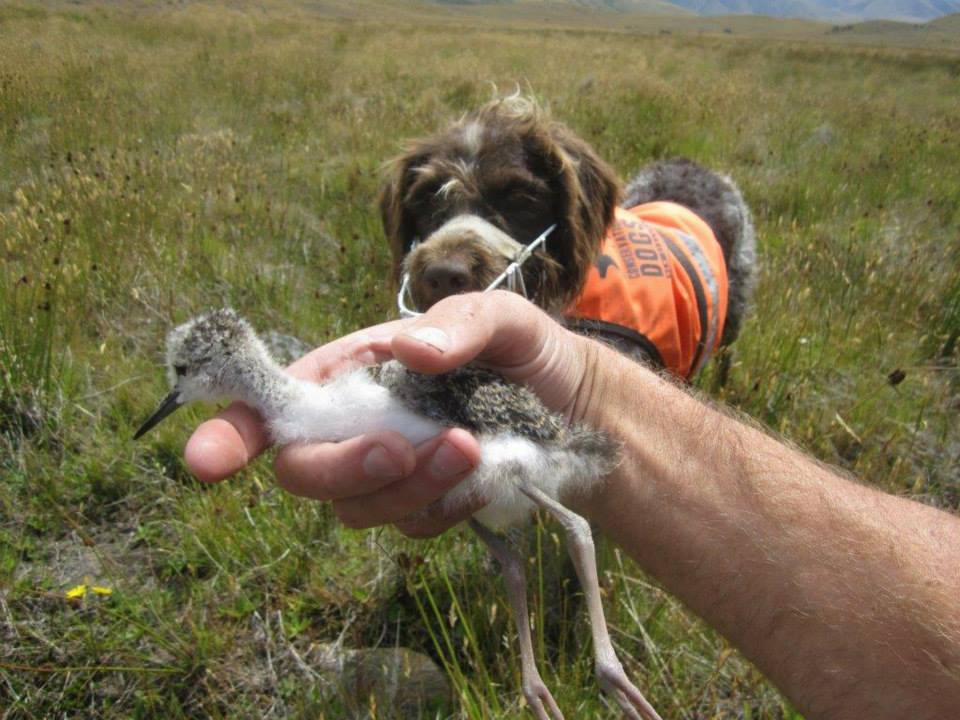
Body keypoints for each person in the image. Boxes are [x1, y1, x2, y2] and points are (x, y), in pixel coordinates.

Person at [186, 291, 960, 720]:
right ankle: (532, 680)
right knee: (502, 555)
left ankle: (603, 658)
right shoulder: (312, 407)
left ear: (218, 365)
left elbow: (537, 442)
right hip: (487, 461)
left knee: (562, 521)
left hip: (531, 442)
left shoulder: (365, 384)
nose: (179, 393)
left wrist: (583, 389)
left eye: (182, 376)